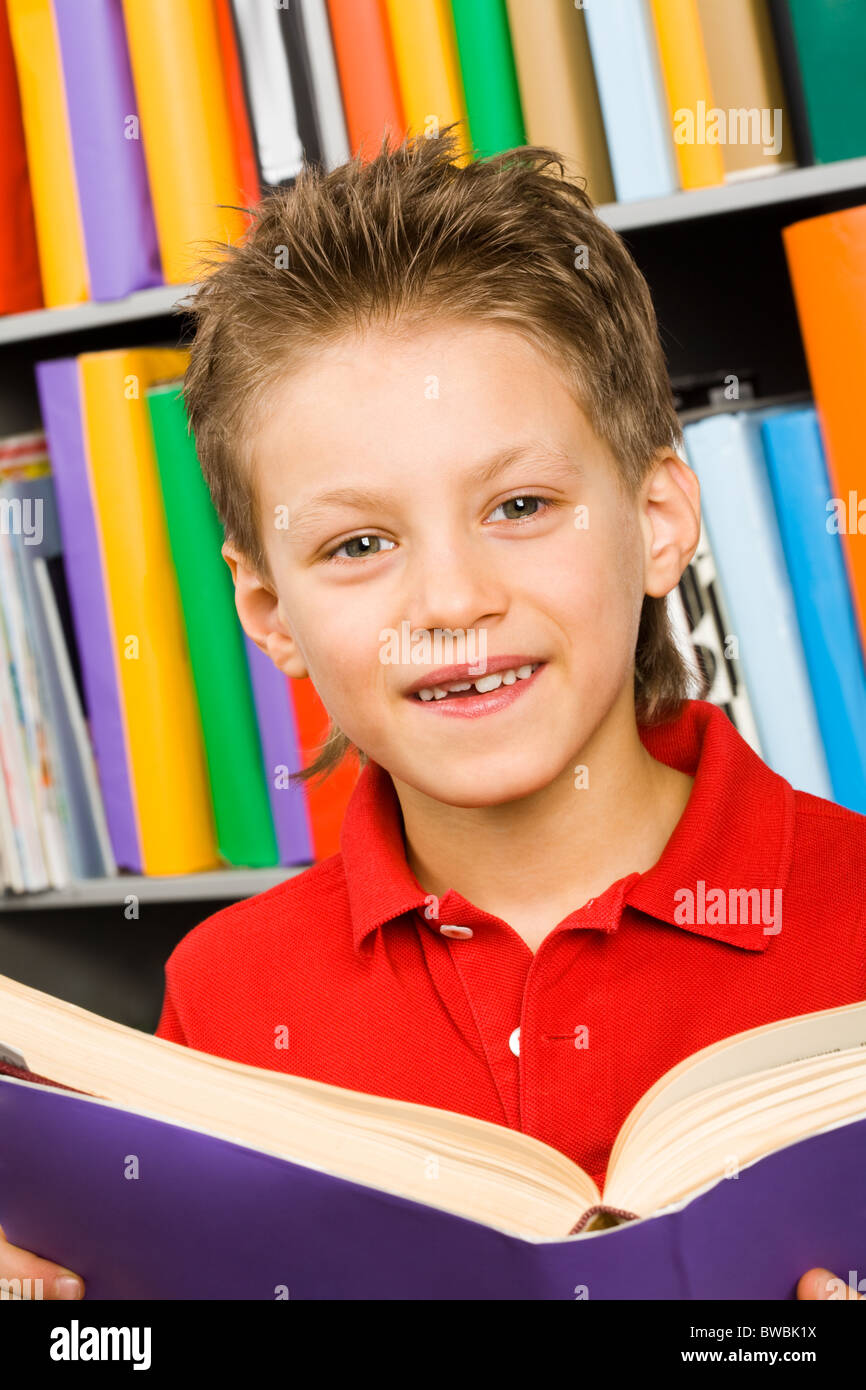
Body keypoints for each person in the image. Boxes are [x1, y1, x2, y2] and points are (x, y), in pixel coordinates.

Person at [4, 128, 863, 1301]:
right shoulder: (223, 996)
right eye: (359, 543)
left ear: (657, 519)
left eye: (518, 503)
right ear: (269, 608)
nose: (452, 600)